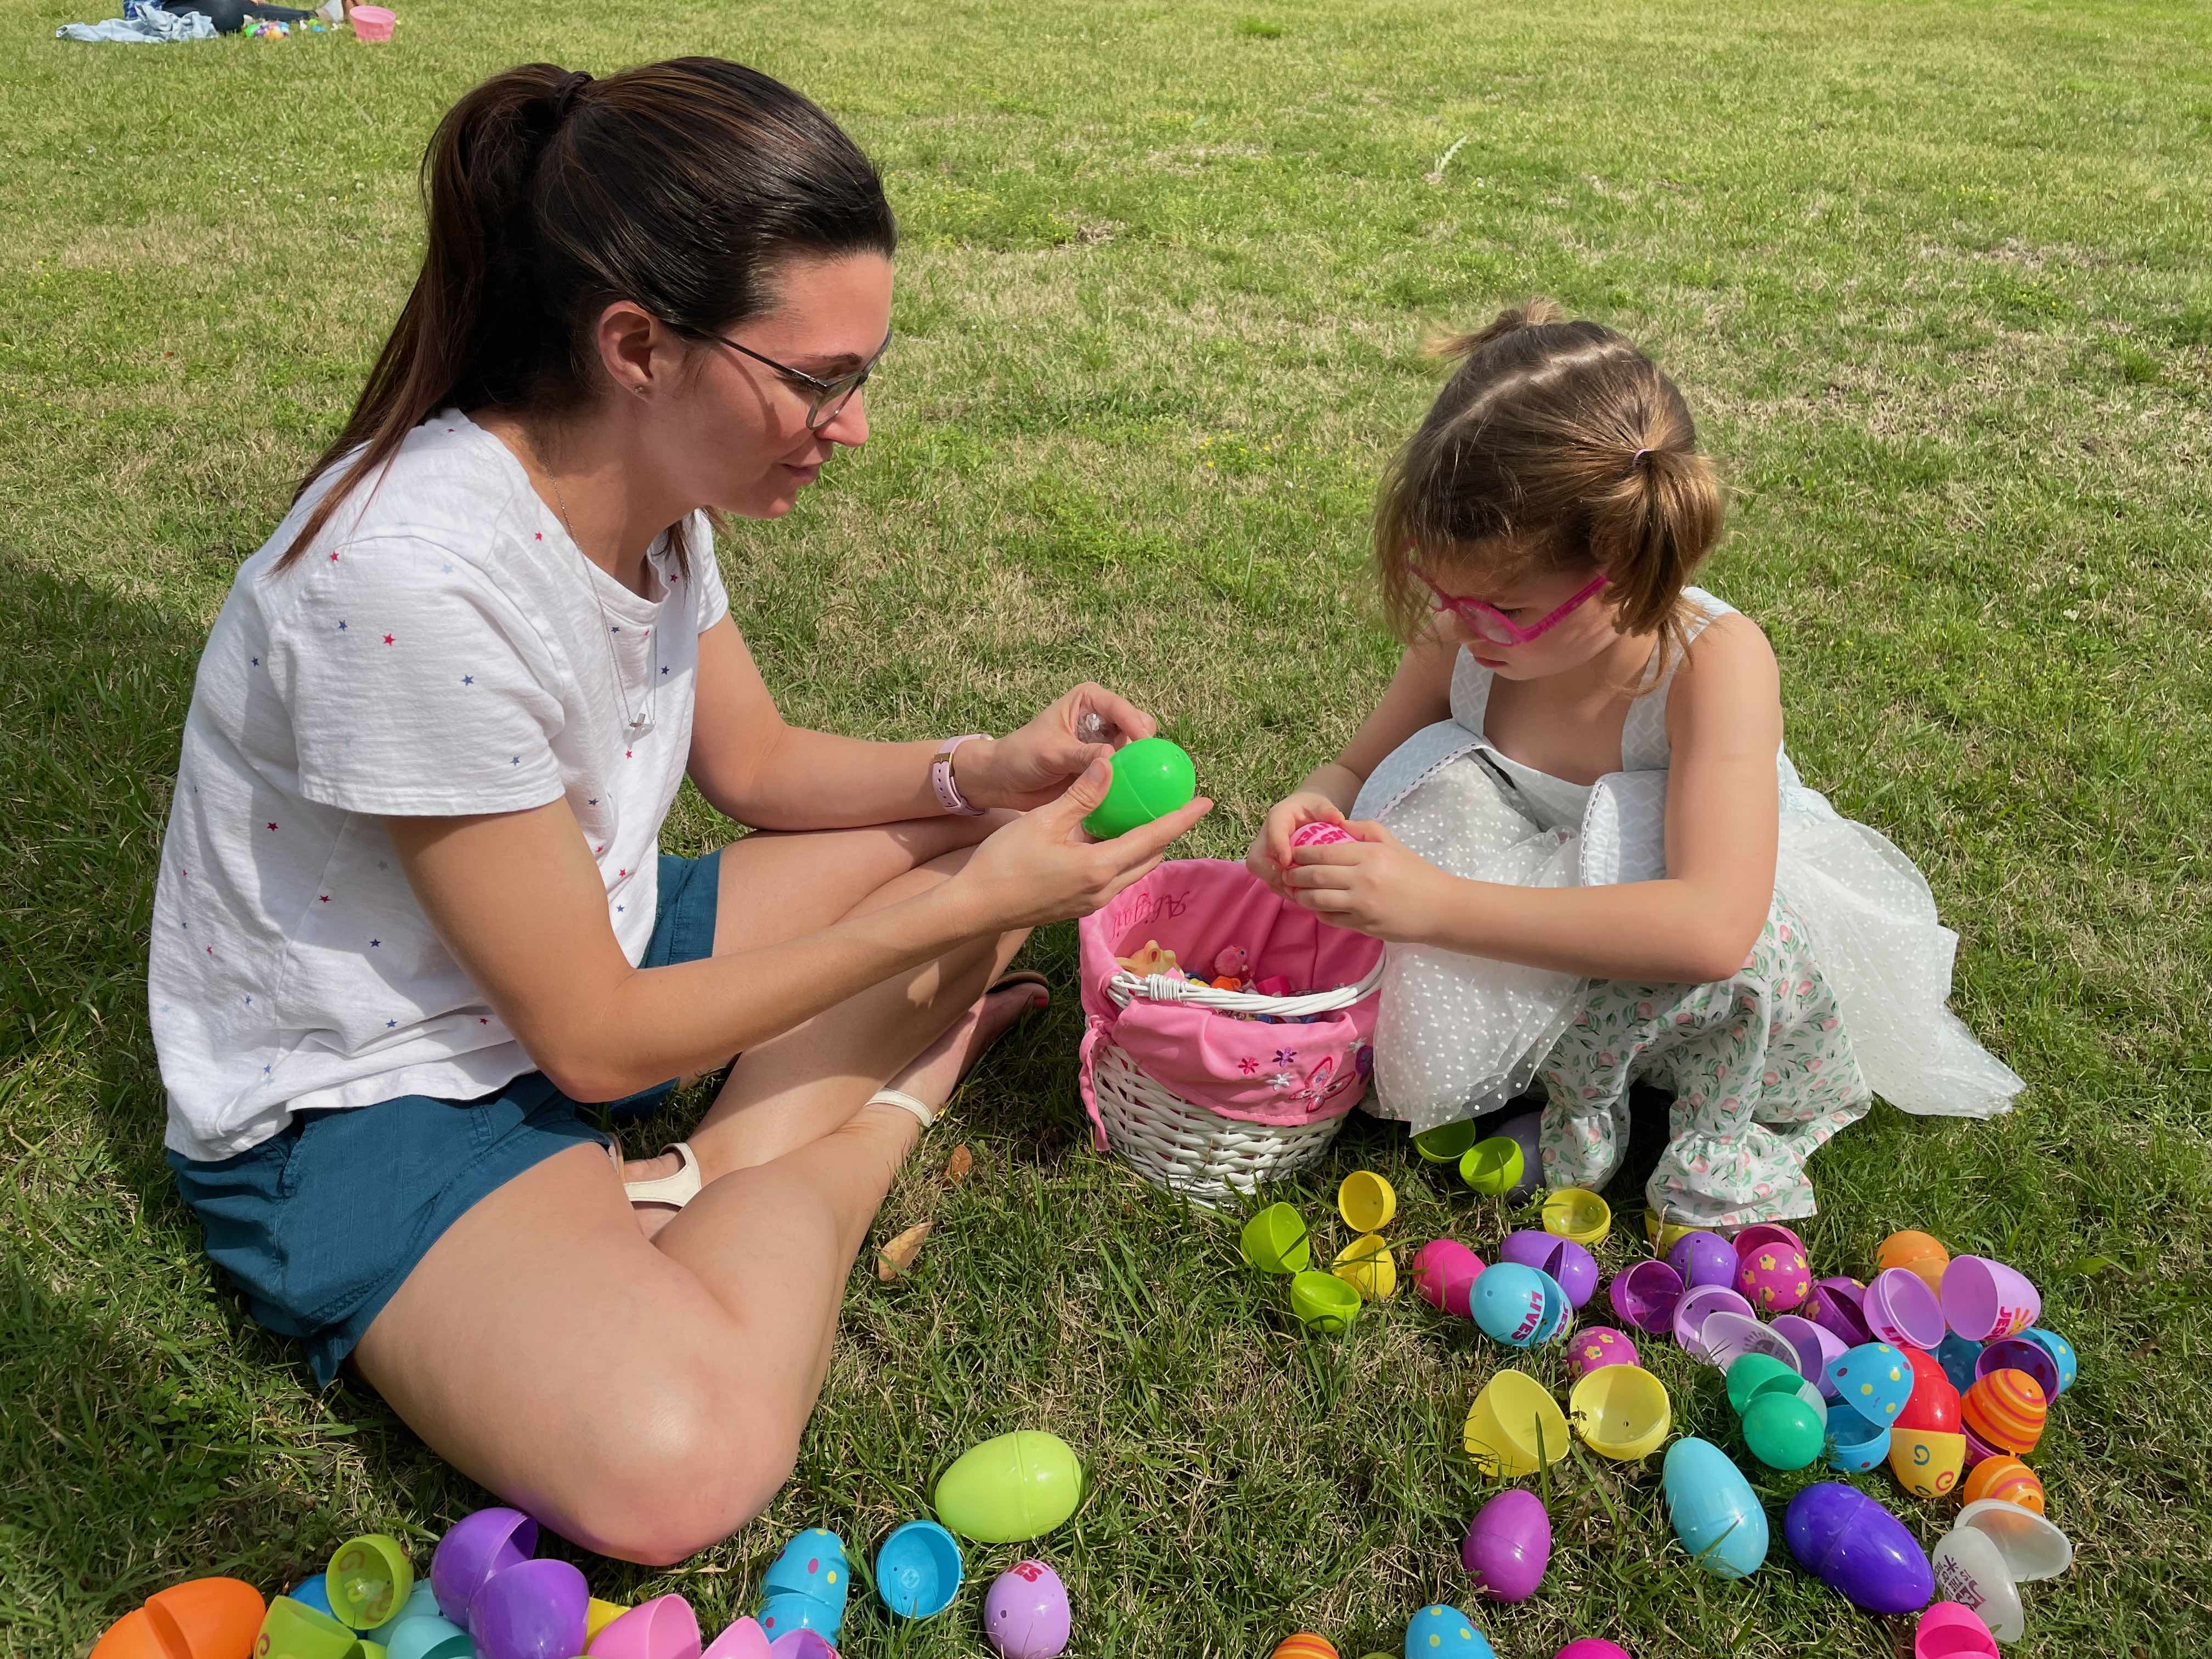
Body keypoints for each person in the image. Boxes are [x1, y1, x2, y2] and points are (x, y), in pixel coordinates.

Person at [148, 57, 1209, 1565]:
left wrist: (984, 777)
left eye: (865, 373)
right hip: (374, 1095)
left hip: (581, 959)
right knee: (684, 1462)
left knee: (989, 852)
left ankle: (690, 1181)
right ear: (637, 345)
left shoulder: (644, 502)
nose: (853, 428)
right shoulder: (407, 587)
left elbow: (760, 766)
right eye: (819, 379)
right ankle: (878, 1121)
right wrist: (969, 911)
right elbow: (585, 1038)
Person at [1248, 301, 2019, 1230]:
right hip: (1536, 870)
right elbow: (1355, 765)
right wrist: (1314, 800)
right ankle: (1559, 1061)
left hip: (1694, 903)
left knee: (1735, 971)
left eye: (1505, 606)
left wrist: (1434, 908)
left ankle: (1628, 1087)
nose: (1463, 624)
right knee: (1420, 810)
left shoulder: (1710, 664)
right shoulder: (1469, 622)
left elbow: (1712, 931)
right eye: (1443, 590)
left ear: (1627, 564)